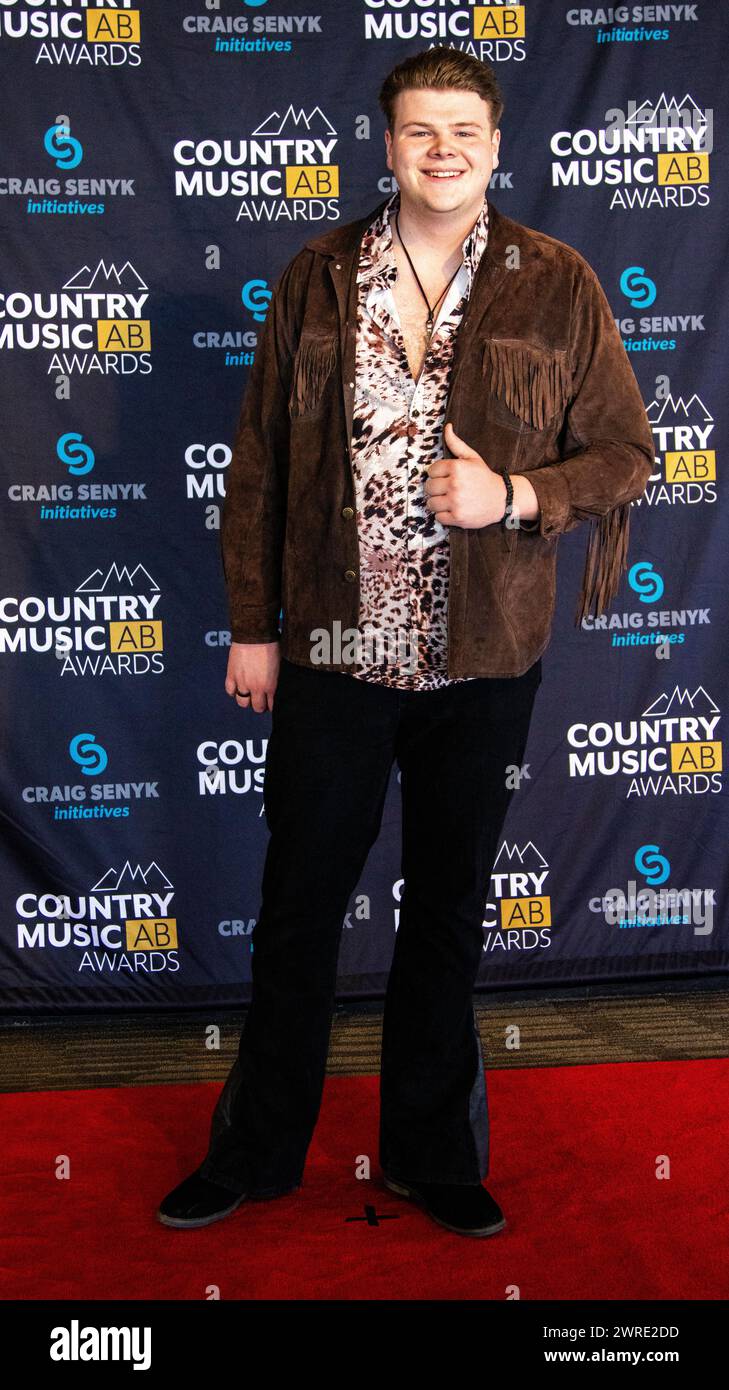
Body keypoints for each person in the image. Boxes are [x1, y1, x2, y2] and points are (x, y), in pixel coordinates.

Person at [158, 47, 654, 1237]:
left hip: (481, 658)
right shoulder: (317, 275)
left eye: (464, 132)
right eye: (420, 132)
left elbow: (628, 455)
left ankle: (434, 1154)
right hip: (332, 645)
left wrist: (518, 499)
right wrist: (251, 628)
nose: (443, 151)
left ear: (496, 146)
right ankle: (258, 1151)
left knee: (445, 907)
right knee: (297, 904)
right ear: (387, 146)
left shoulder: (560, 282)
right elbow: (262, 468)